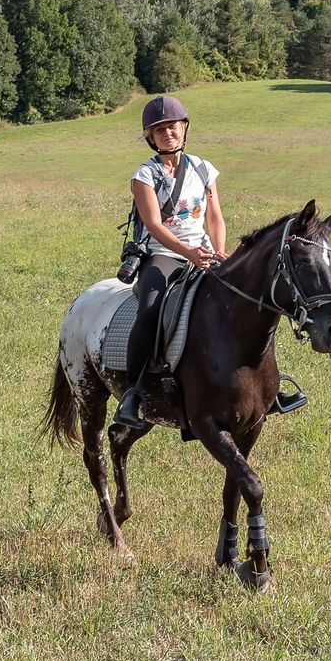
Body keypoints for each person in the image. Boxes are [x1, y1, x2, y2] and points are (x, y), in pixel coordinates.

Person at [112, 95, 227, 430]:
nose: (167, 133)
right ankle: (132, 392)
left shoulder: (204, 169)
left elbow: (215, 216)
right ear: (151, 136)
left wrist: (218, 251)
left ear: (184, 128)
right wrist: (187, 252)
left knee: (246, 297)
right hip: (162, 255)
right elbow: (153, 225)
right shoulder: (144, 175)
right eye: (159, 129)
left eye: (172, 126)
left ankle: (268, 384)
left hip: (204, 252)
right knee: (150, 308)